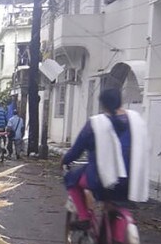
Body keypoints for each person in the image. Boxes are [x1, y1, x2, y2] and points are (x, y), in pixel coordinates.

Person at [60, 88, 149, 228]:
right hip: (132, 181)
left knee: (72, 179)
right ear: (120, 101)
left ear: (103, 104)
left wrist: (65, 160)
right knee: (118, 202)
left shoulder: (96, 123)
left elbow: (77, 149)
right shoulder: (136, 120)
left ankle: (84, 218)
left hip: (102, 180)